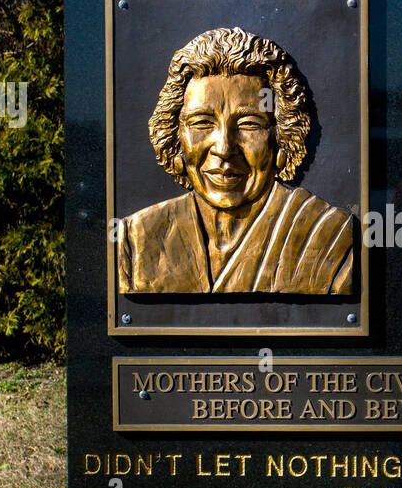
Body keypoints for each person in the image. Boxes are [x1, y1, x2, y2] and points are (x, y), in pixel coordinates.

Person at [117, 26, 354, 295]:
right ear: (174, 136)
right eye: (202, 122)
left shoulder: (330, 238)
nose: (224, 148)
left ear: (282, 139)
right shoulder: (136, 240)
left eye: (249, 124)